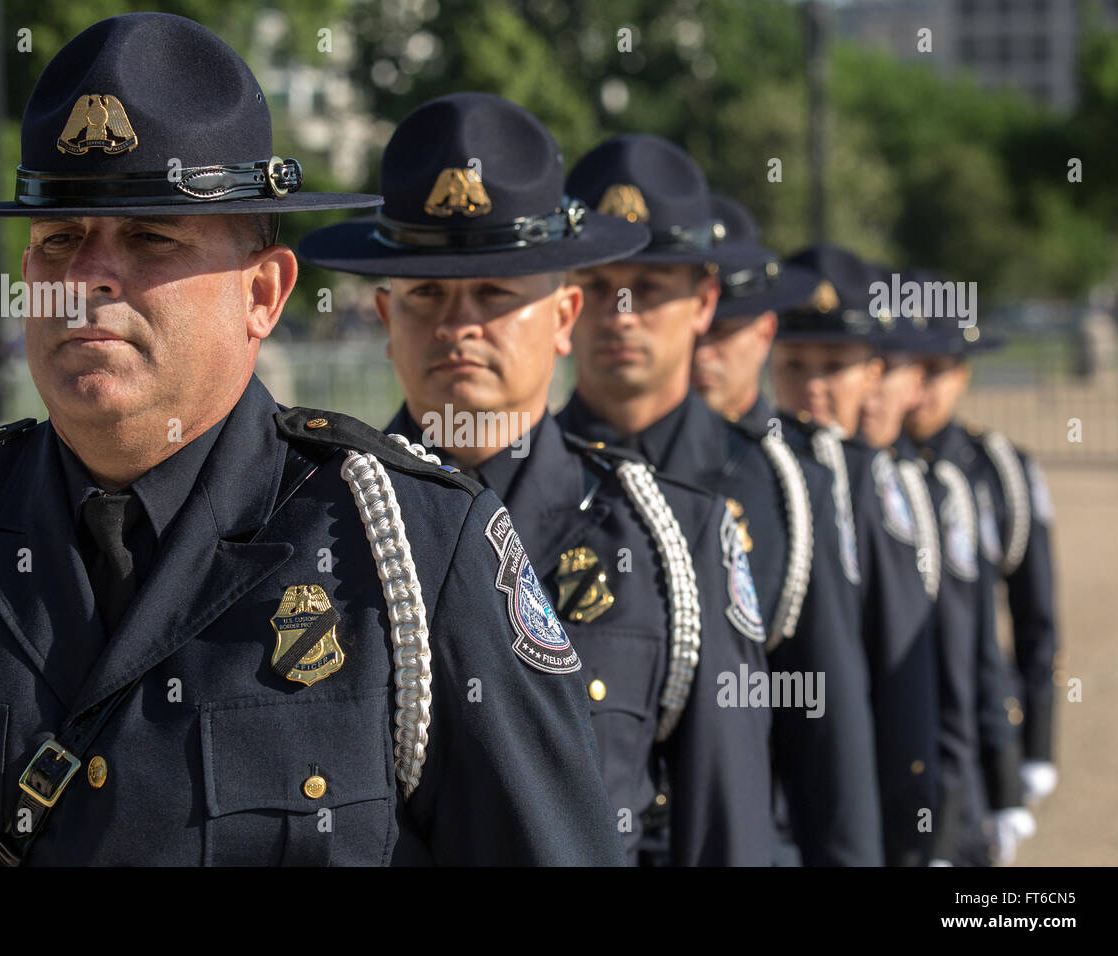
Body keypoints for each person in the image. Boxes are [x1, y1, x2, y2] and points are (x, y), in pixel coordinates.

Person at [0, 13, 625, 867]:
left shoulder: (416, 557)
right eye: (59, 239)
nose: (88, 277)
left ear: (264, 294)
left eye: (150, 236)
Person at [297, 93, 773, 865]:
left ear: (563, 318)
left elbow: (724, 834)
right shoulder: (300, 529)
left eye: (494, 294)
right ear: (386, 319)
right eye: (426, 295)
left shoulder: (672, 545)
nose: (458, 327)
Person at [557, 135, 882, 866]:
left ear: (705, 301)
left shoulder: (779, 483)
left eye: (651, 288)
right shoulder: (509, 484)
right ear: (563, 296)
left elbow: (826, 735)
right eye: (601, 286)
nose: (622, 314)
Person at [698, 227, 938, 867]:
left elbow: (896, 662)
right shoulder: (763, 471)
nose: (814, 389)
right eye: (798, 367)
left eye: (834, 366)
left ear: (875, 370)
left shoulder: (858, 478)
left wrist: (914, 830)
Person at [893, 305, 1043, 865]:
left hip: (974, 725)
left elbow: (1034, 617)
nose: (920, 389)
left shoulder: (993, 466)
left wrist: (1032, 753)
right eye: (911, 368)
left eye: (937, 371)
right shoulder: (874, 473)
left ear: (963, 374)